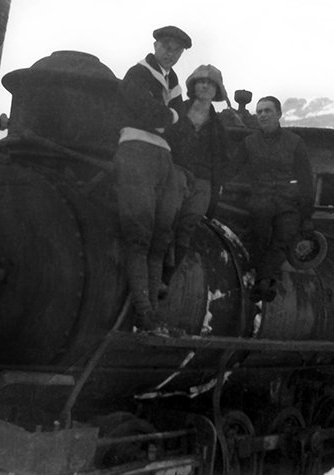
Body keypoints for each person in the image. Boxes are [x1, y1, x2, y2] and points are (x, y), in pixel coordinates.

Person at [114, 25, 192, 331]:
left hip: (164, 157)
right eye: (166, 46)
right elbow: (146, 111)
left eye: (177, 50)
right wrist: (169, 116)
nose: (170, 53)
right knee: (139, 234)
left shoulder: (173, 82)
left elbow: (178, 124)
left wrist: (166, 117)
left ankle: (153, 313)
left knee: (160, 237)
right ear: (156, 45)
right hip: (136, 149)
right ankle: (144, 311)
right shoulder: (137, 73)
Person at [233, 95, 315, 302]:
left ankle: (264, 280)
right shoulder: (249, 143)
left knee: (285, 236)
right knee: (260, 232)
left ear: (279, 114)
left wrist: (307, 216)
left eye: (267, 111)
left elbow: (306, 180)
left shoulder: (295, 142)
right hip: (260, 199)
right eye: (259, 112)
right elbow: (231, 169)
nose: (263, 115)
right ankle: (264, 280)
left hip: (288, 203)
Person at [162, 64, 230, 285]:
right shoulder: (176, 112)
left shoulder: (218, 127)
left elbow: (219, 163)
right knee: (165, 221)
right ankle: (156, 271)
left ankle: (167, 277)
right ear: (193, 86)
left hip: (202, 182)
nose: (205, 86)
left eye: (210, 83)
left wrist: (214, 194)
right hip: (175, 173)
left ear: (216, 90)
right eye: (201, 81)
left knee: (187, 226)